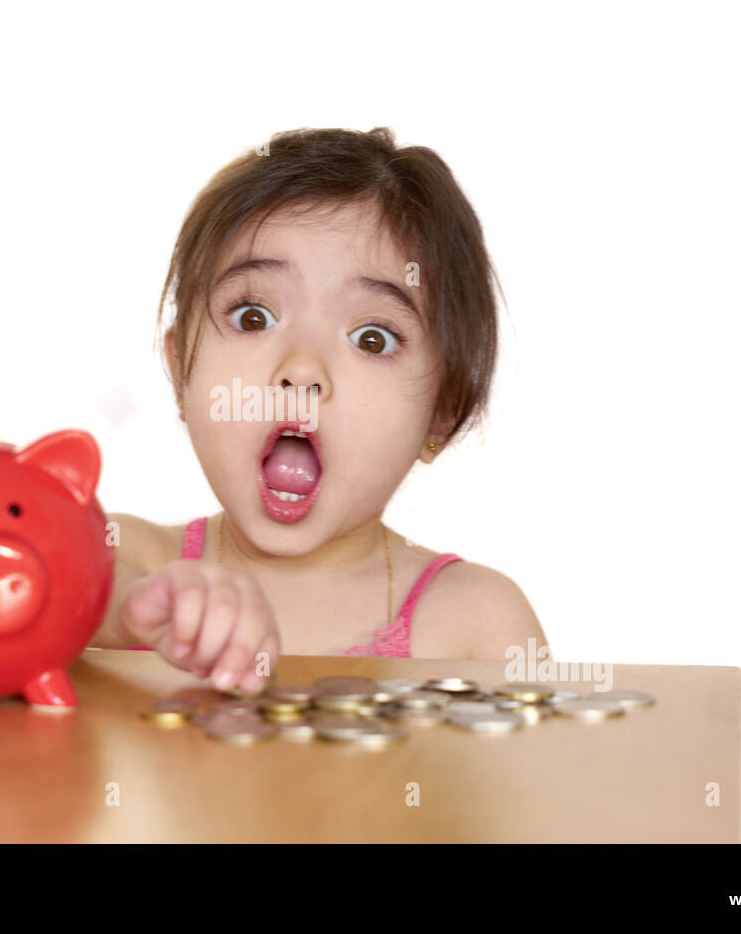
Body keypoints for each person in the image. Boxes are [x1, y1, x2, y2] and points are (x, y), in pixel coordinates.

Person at [90, 127, 548, 694]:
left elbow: (548, 752)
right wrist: (133, 608)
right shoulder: (136, 560)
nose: (303, 368)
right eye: (253, 316)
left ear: (442, 415)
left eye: (373, 339)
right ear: (181, 368)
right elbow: (54, 577)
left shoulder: (476, 621)